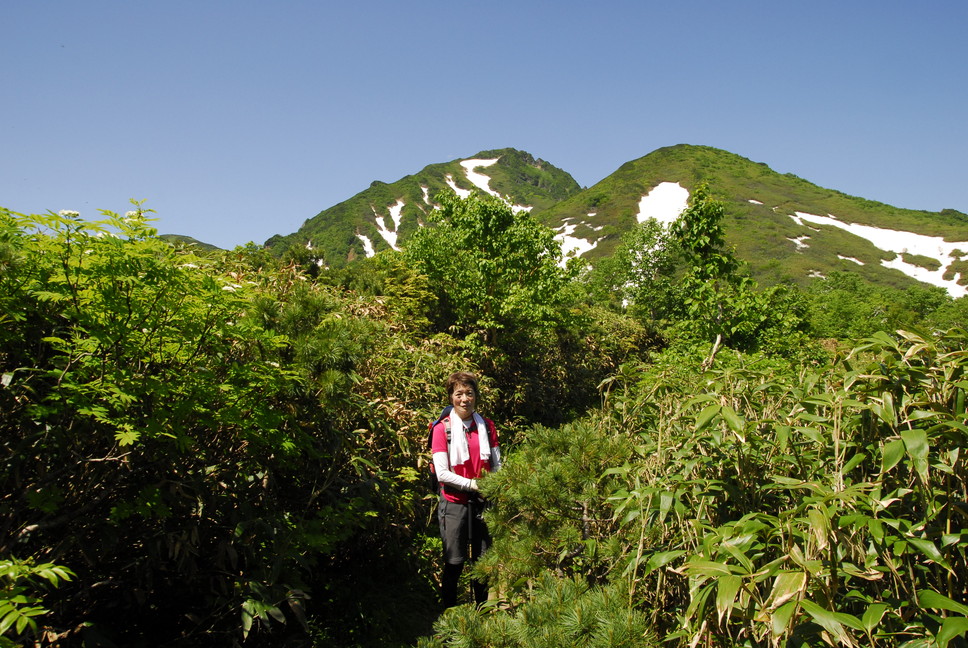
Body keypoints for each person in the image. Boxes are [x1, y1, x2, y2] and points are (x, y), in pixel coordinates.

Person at [431, 371, 501, 608]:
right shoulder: (441, 429)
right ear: (451, 397)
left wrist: (492, 486)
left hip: (483, 501)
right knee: (454, 563)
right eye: (459, 394)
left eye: (469, 393)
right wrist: (473, 484)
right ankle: (450, 617)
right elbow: (442, 473)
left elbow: (497, 465)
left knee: (482, 565)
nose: (464, 399)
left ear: (476, 396)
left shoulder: (487, 426)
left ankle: (482, 615)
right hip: (454, 502)